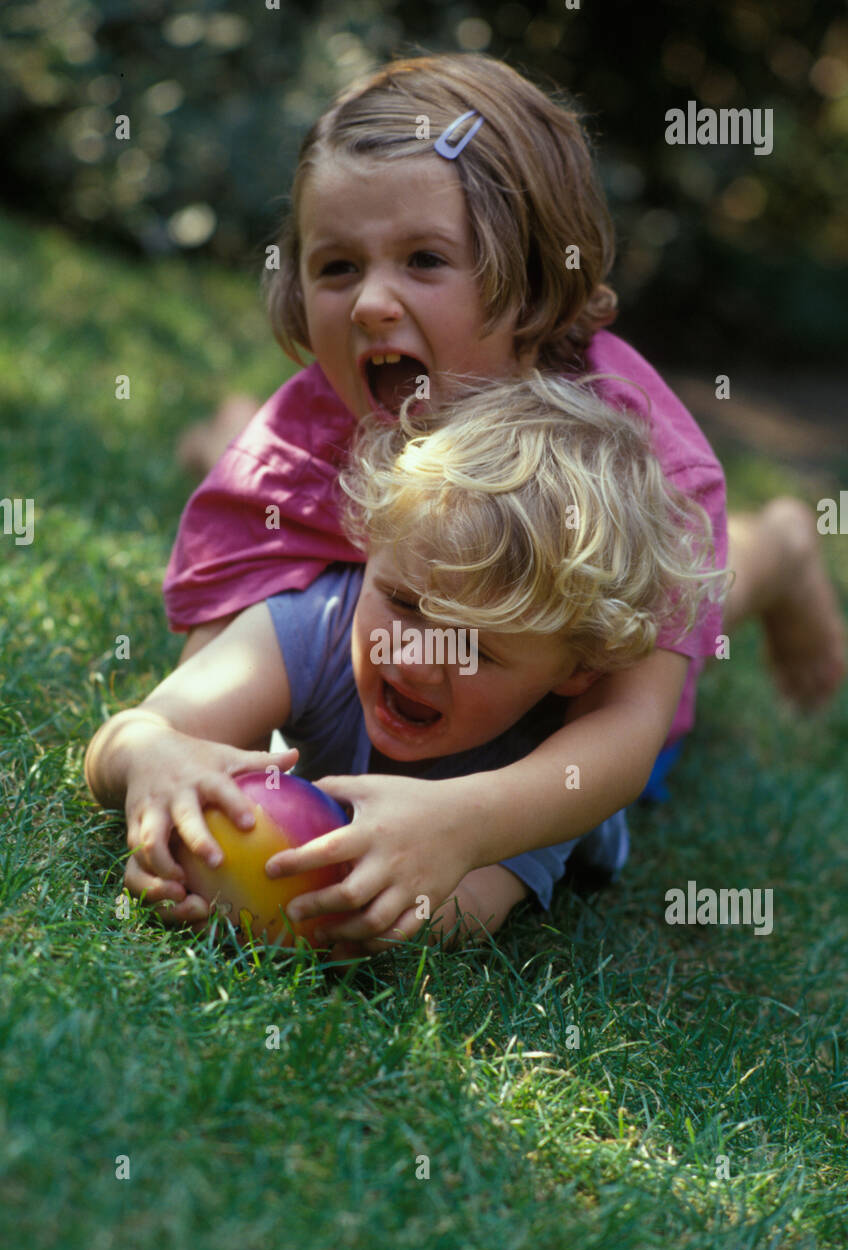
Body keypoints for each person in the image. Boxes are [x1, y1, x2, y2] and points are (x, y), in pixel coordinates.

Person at [163, 52, 845, 943]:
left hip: (570, 657)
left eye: (424, 258)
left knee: (699, 591)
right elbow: (212, 675)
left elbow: (623, 733)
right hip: (351, 544)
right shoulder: (313, 437)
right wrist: (181, 764)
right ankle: (229, 432)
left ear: (528, 276)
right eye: (335, 268)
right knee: (260, 482)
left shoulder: (647, 471)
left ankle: (781, 544)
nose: (371, 301)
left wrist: (466, 825)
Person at [85, 371, 728, 961]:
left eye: (475, 647)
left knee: (694, 615)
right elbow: (132, 734)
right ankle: (231, 432)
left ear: (574, 672)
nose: (414, 659)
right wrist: (156, 765)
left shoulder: (551, 766)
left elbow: (455, 909)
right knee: (246, 468)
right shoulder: (323, 621)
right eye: (400, 601)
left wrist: (288, 907)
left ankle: (776, 548)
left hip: (641, 751)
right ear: (369, 549)